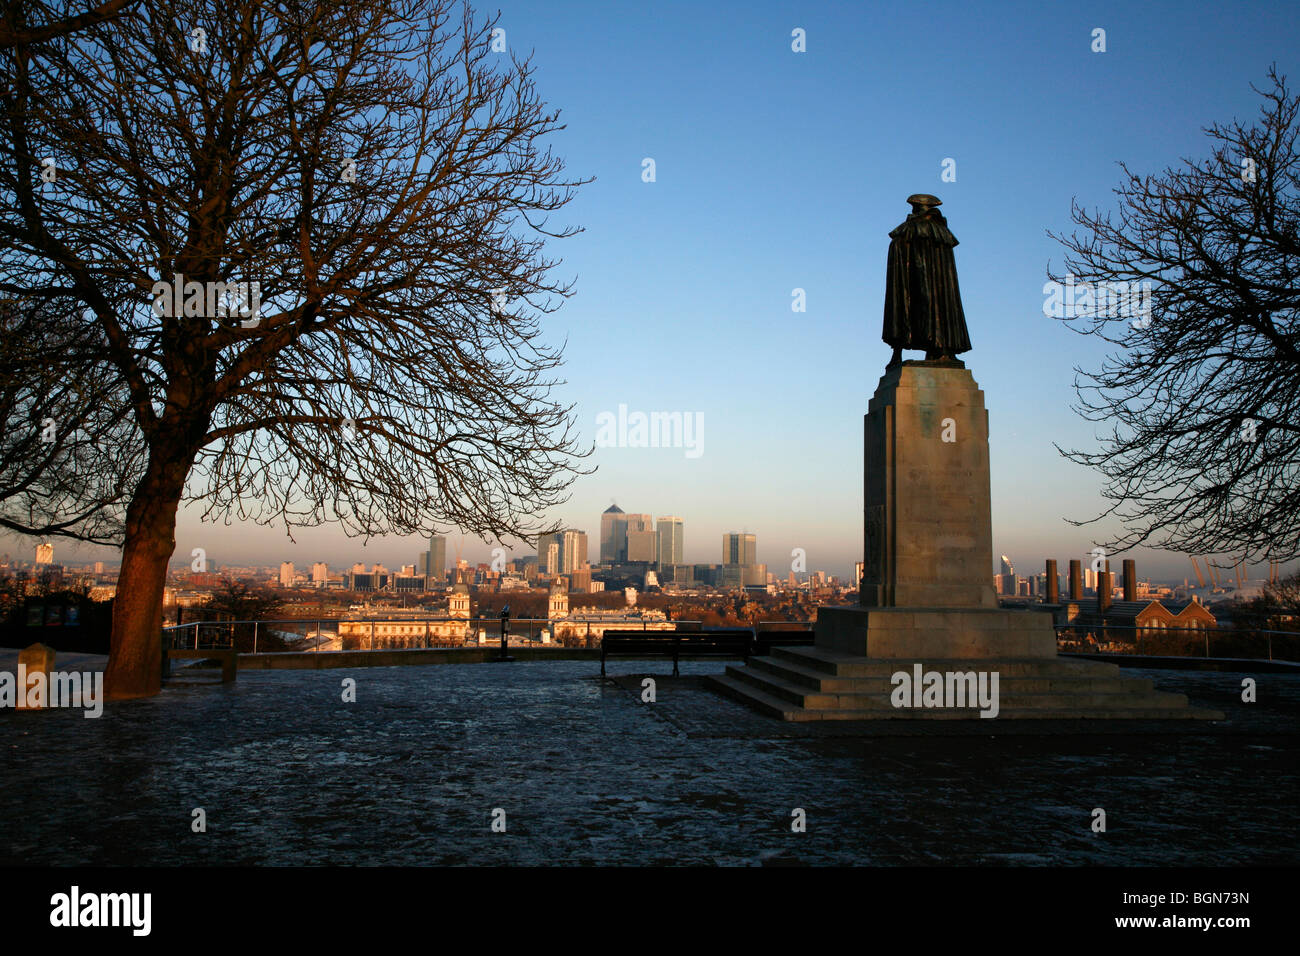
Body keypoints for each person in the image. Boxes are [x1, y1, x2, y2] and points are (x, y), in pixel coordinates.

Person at [882, 194, 973, 365]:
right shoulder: (940, 232)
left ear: (917, 209)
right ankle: (942, 348)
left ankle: (939, 349)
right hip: (928, 284)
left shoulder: (911, 229)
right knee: (931, 308)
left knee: (914, 309)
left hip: (918, 282)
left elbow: (898, 251)